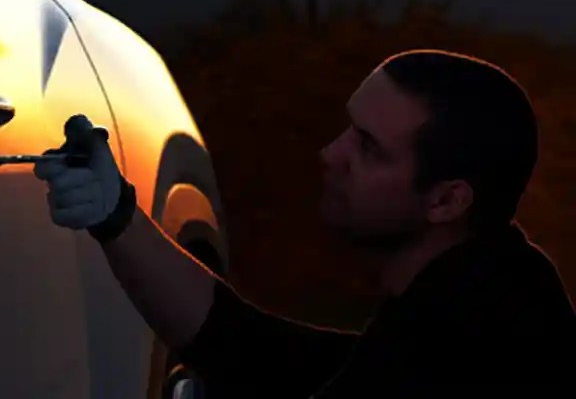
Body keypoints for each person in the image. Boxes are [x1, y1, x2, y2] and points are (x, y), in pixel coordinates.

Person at [34, 49, 575, 397]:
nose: (329, 154)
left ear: (447, 200)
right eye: (348, 129)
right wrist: (117, 216)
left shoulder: (473, 346)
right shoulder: (482, 291)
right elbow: (258, 351)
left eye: (367, 148)